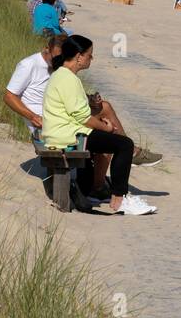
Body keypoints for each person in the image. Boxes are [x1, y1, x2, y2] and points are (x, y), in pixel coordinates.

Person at [4, 32, 164, 172]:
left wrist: (89, 100)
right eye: (57, 56)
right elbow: (9, 96)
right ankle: (131, 152)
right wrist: (32, 116)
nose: (59, 60)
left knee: (102, 111)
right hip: (47, 121)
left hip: (60, 115)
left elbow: (66, 96)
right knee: (105, 120)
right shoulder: (29, 65)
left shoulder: (60, 70)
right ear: (47, 48)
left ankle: (101, 183)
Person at [42, 36, 156, 216]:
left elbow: (75, 109)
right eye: (89, 55)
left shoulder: (62, 75)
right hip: (68, 135)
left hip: (62, 131)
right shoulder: (68, 78)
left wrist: (94, 109)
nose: (91, 59)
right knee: (124, 144)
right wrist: (106, 128)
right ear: (79, 57)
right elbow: (82, 117)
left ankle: (97, 190)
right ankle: (120, 198)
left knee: (113, 142)